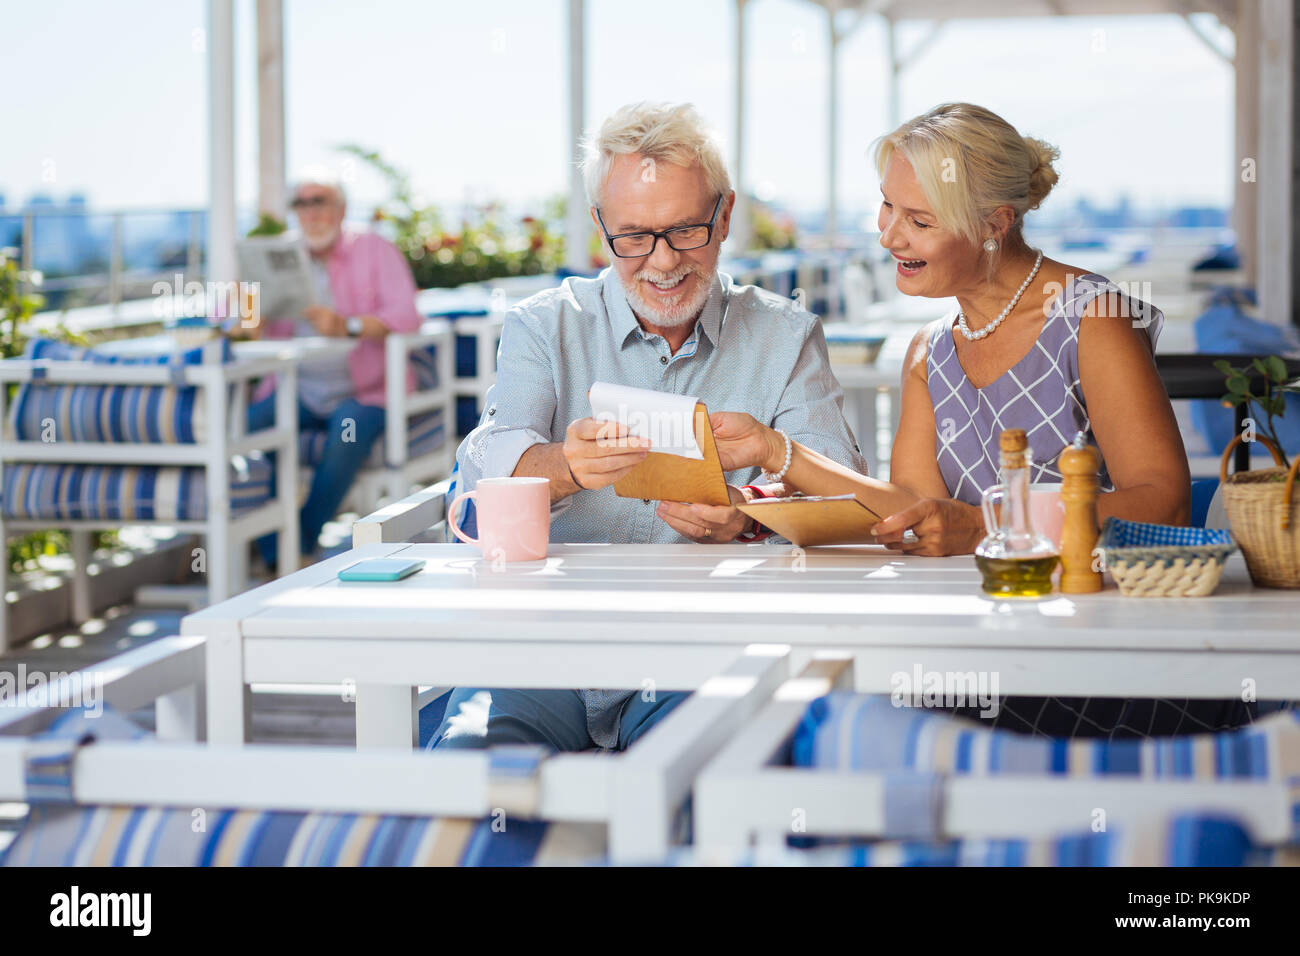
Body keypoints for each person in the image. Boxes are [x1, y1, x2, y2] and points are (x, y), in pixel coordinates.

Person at [712, 103, 1253, 739]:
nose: (889, 237)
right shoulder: (929, 350)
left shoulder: (1094, 318)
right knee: (815, 704)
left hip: (1096, 646)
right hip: (974, 636)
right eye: (887, 207)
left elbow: (1164, 507)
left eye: (919, 220)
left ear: (995, 224)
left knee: (842, 723)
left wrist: (983, 525)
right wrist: (776, 452)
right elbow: (915, 511)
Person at [429, 102, 867, 753]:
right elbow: (480, 475)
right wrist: (563, 465)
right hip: (540, 646)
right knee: (472, 772)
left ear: (725, 215)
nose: (662, 262)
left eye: (686, 230)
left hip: (700, 650)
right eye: (633, 236)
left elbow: (846, 502)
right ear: (599, 228)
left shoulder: (786, 335)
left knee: (698, 775)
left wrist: (747, 517)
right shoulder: (543, 325)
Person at [243, 169, 422, 566]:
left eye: (319, 201)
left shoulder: (373, 248)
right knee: (248, 432)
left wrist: (348, 325)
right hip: (295, 387)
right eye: (301, 203)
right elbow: (254, 327)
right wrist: (249, 321)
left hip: (365, 389)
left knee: (346, 433)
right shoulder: (279, 255)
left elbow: (407, 316)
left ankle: (294, 550)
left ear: (340, 209)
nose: (310, 212)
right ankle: (280, 552)